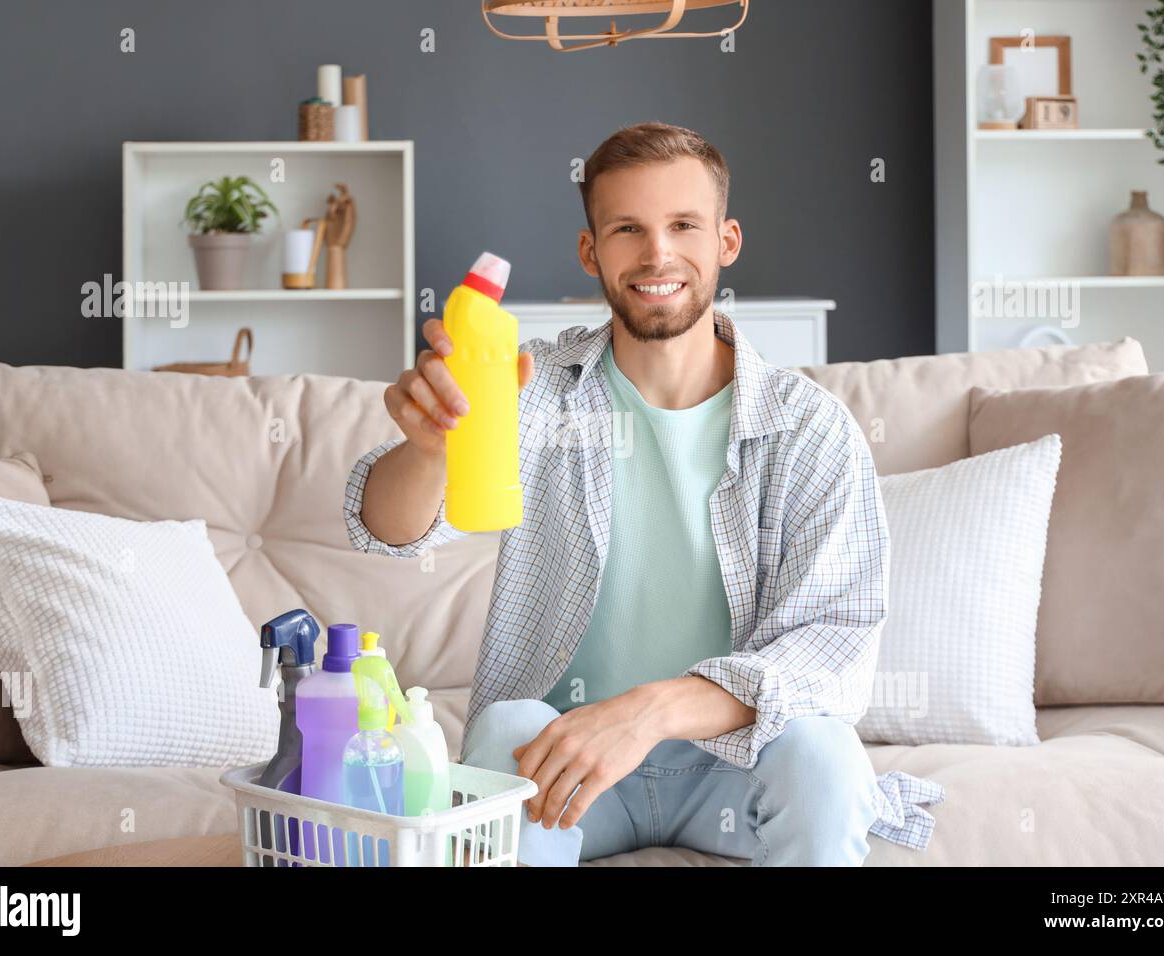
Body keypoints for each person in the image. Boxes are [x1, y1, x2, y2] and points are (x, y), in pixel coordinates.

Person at [345, 121, 944, 866]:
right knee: (504, 728)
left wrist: (647, 712)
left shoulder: (809, 427)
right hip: (569, 766)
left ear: (726, 241)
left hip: (736, 766)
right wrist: (431, 450)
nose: (658, 254)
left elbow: (831, 652)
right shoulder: (533, 387)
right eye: (628, 228)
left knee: (825, 753)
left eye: (683, 226)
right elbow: (387, 530)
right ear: (591, 252)